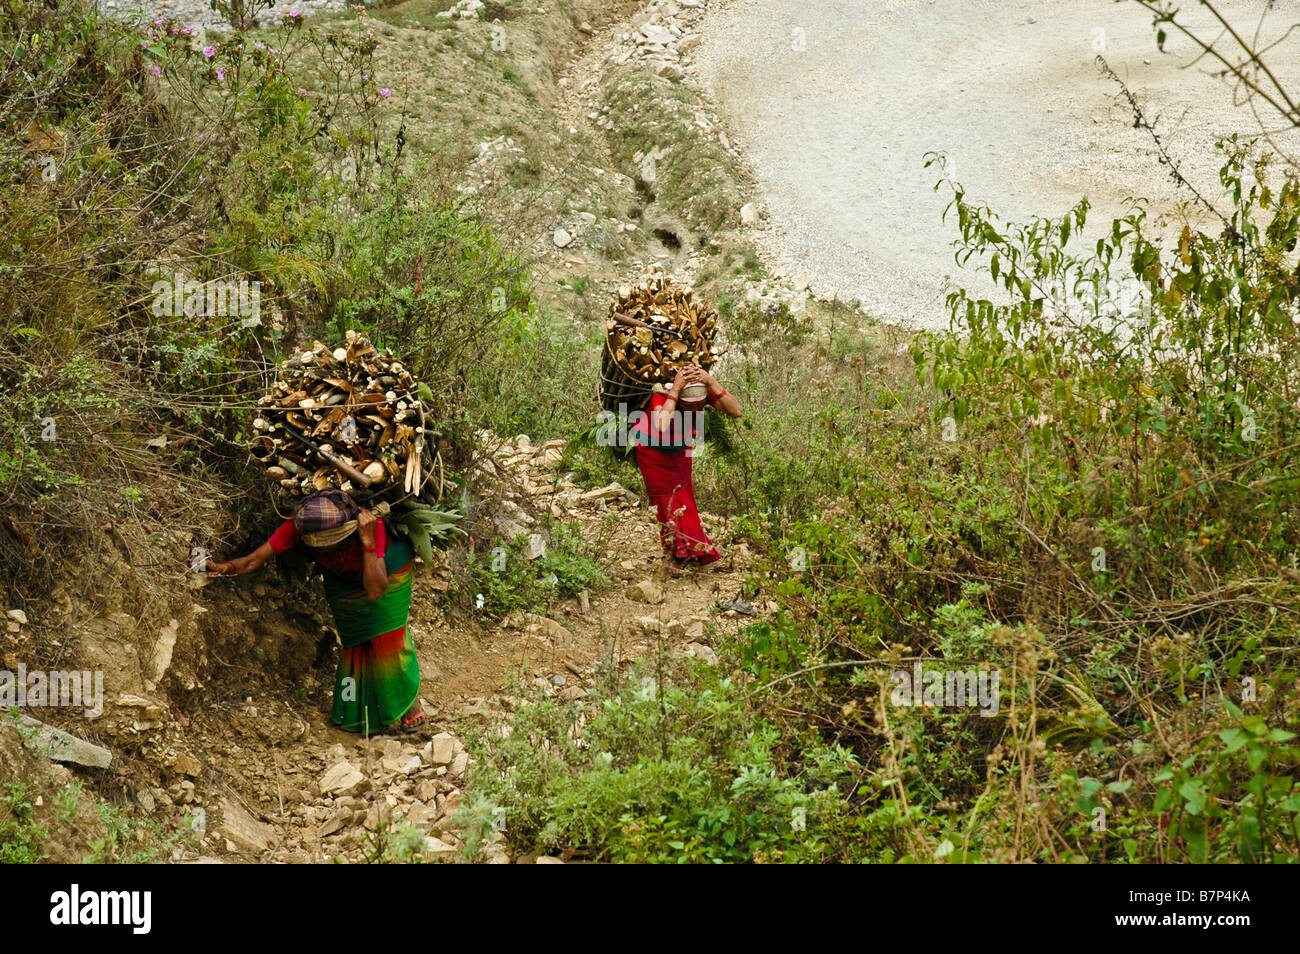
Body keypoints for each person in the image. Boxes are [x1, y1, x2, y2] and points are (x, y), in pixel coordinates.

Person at [206, 488, 427, 735]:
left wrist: (367, 541)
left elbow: (376, 590)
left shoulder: (368, 525)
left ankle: (407, 703)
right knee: (354, 644)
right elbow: (253, 560)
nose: (329, 550)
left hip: (386, 568)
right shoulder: (302, 525)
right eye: (321, 548)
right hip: (341, 579)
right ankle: (351, 708)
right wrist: (222, 568)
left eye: (337, 544)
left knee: (386, 637)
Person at [631, 364, 742, 568]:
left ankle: (690, 551)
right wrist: (675, 390)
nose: (695, 410)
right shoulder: (661, 394)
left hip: (680, 451)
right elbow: (662, 424)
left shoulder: (701, 391)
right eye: (689, 406)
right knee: (667, 501)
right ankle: (678, 553)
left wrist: (710, 381)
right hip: (652, 452)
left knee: (684, 500)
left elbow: (736, 411)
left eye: (698, 407)